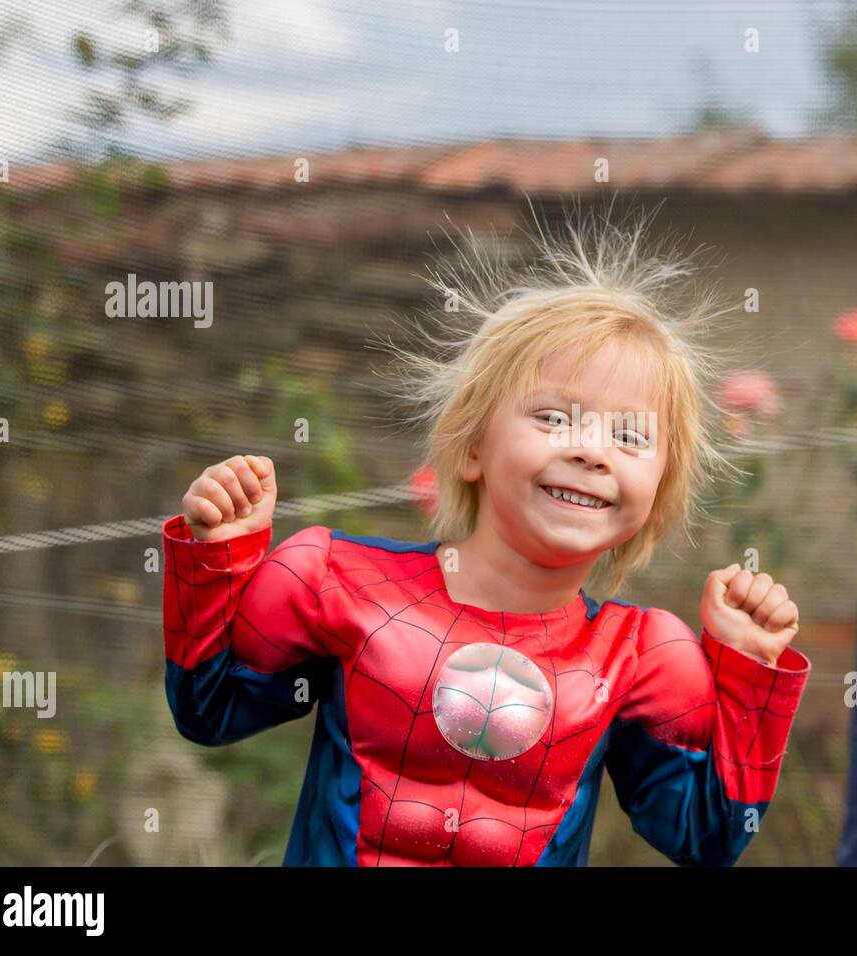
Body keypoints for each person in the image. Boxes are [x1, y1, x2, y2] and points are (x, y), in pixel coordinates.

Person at [160, 201, 811, 866]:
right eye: (554, 417)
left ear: (659, 490)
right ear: (472, 448)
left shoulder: (641, 660)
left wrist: (748, 673)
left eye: (629, 436)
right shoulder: (336, 582)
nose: (592, 451)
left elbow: (709, 840)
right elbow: (209, 712)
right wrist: (221, 557)